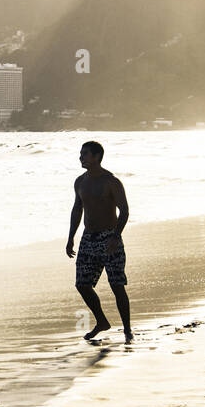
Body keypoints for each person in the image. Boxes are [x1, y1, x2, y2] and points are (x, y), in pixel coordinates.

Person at [67, 140, 132, 344]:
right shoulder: (80, 181)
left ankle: (127, 330)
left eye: (85, 154)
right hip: (88, 238)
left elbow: (124, 211)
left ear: (96, 157)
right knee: (82, 284)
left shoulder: (110, 181)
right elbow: (77, 209)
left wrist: (116, 236)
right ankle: (102, 321)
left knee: (117, 285)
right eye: (80, 154)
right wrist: (70, 238)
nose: (81, 157)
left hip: (109, 237)